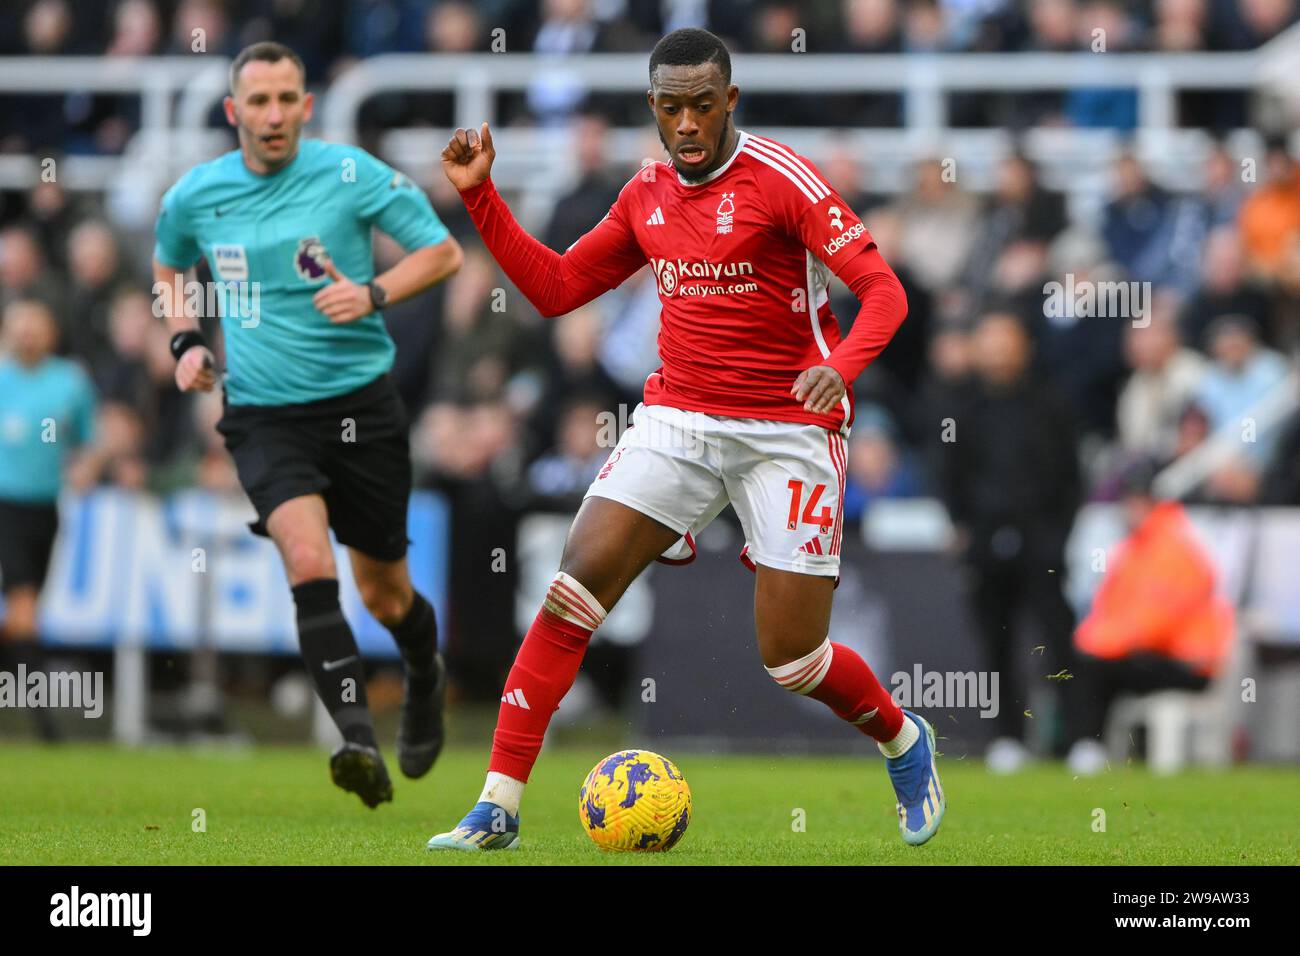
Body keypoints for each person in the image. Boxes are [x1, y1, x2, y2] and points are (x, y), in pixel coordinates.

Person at [429, 27, 943, 852]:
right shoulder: (644, 194)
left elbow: (883, 293)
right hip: (680, 419)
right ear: (654, 110)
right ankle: (497, 805)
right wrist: (482, 197)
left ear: (729, 101)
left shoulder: (785, 182)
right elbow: (560, 288)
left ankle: (901, 738)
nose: (689, 124)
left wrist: (840, 368)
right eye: (672, 109)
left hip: (788, 430)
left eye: (704, 105)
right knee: (573, 586)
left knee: (792, 659)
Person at [152, 42, 464, 808]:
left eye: (287, 98)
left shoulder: (348, 173)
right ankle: (356, 739)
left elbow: (443, 251)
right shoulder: (195, 194)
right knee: (304, 558)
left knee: (386, 594)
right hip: (262, 413)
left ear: (306, 107)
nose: (273, 115)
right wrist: (185, 340)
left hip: (361, 408)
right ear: (233, 113)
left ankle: (424, 674)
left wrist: (374, 293)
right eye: (257, 101)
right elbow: (167, 270)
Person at [939, 311, 1081, 773]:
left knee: (1058, 640)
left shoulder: (1050, 402)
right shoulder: (961, 407)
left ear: (1025, 347)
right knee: (995, 644)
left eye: (1007, 341)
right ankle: (1006, 738)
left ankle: (1078, 738)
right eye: (990, 342)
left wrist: (1059, 534)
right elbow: (949, 474)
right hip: (985, 539)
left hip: (1042, 538)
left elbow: (1070, 476)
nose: (999, 352)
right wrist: (961, 524)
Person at [1064, 459, 1234, 775]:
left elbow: (1157, 621)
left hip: (1189, 661)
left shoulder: (1173, 548)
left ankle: (1088, 746)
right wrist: (1094, 640)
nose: (1130, 510)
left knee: (1098, 666)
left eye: (1137, 502)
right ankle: (1088, 745)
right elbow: (1108, 609)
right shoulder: (1134, 549)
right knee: (1088, 662)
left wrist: (1101, 643)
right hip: (1152, 652)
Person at [0, 299, 98, 741]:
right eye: (19, 328)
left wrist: (87, 466)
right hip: (5, 505)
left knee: (27, 614)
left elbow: (88, 438)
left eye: (35, 327)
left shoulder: (69, 382)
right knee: (23, 607)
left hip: (46, 508)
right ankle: (44, 724)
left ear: (50, 334)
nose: (27, 335)